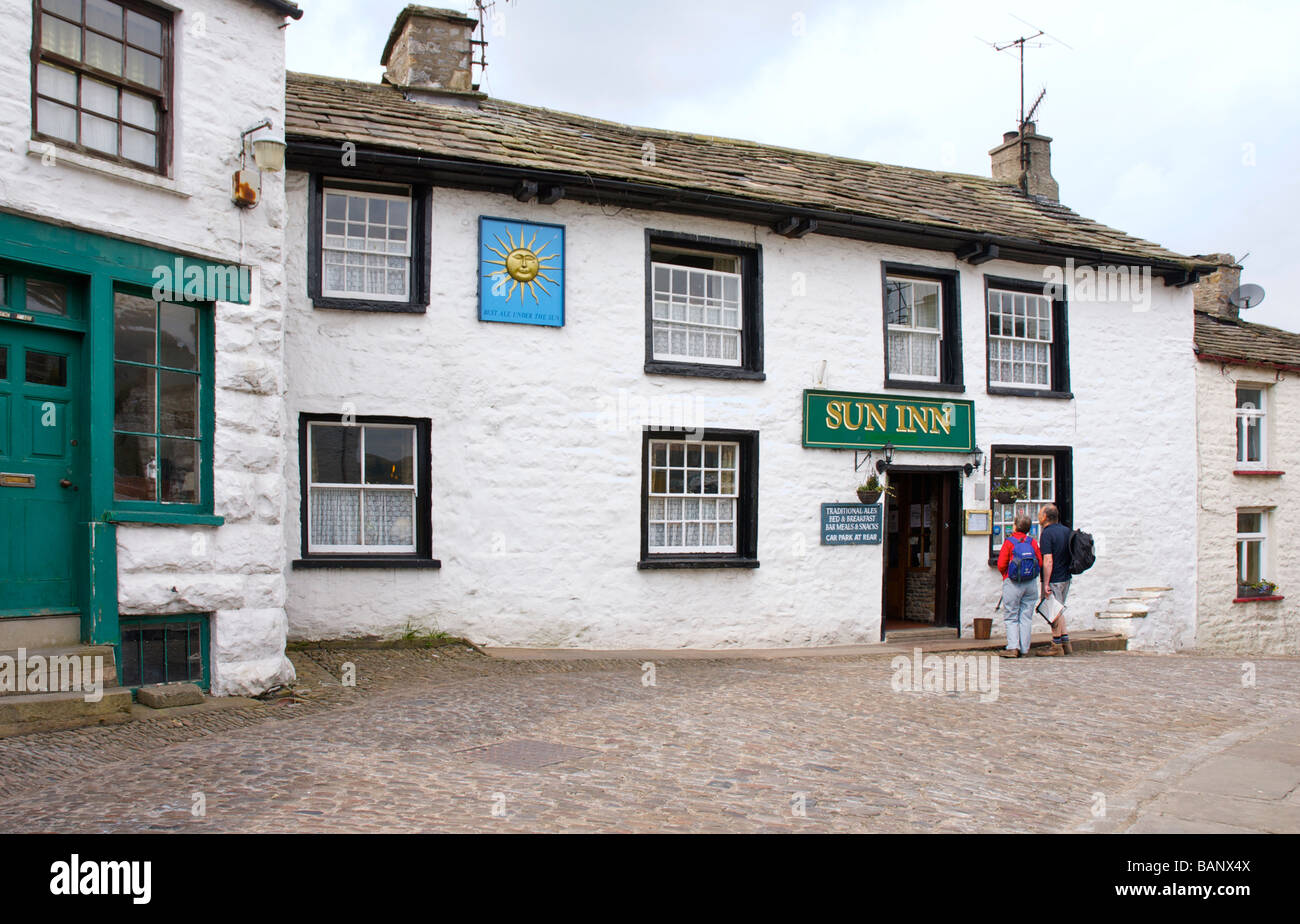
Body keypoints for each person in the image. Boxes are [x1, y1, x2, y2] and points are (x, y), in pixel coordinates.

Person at [996, 513, 1042, 658]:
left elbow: (1001, 564)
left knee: (1011, 615)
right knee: (1026, 616)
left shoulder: (1010, 542)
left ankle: (1013, 647)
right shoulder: (1032, 542)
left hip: (1013, 582)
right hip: (1030, 584)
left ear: (1015, 526)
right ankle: (1024, 648)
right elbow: (1039, 562)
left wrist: (1006, 576)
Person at [1037, 504, 1073, 655]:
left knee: (1053, 611)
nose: (1039, 516)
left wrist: (1046, 583)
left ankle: (1055, 645)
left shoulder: (1047, 533)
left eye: (1040, 514)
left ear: (1045, 516)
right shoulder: (1066, 531)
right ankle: (1065, 643)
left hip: (1054, 578)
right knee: (1058, 609)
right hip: (1065, 577)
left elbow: (1048, 560)